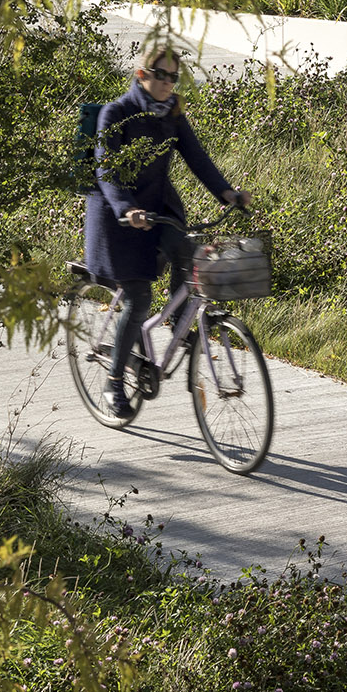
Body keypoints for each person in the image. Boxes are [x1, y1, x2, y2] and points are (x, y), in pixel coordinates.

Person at [84, 35, 250, 421]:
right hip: (117, 218)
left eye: (174, 77)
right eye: (161, 75)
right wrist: (128, 210)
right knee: (139, 298)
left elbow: (197, 157)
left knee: (186, 249)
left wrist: (226, 192)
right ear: (142, 74)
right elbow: (106, 170)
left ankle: (177, 320)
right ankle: (113, 385)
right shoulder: (116, 112)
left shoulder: (171, 114)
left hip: (159, 210)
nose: (168, 83)